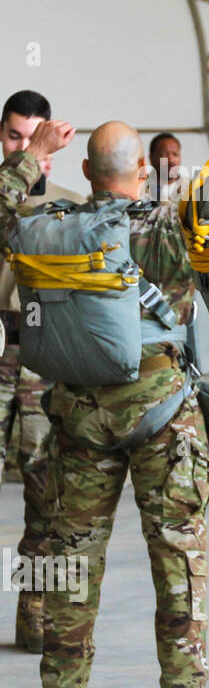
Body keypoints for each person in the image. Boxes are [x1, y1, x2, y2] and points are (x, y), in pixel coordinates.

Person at [0, 118, 209, 688]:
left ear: (85, 172)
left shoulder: (48, 229)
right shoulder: (169, 225)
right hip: (161, 410)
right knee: (177, 549)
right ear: (143, 171)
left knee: (70, 551)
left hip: (79, 413)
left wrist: (31, 155)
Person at [0, 91, 83, 651]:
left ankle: (36, 619)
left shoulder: (70, 206)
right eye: (14, 137)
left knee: (48, 501)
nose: (27, 149)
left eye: (37, 139)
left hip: (38, 363)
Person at [148, 133, 182, 202]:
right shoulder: (138, 190)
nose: (171, 160)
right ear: (151, 158)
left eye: (175, 154)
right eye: (164, 155)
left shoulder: (190, 190)